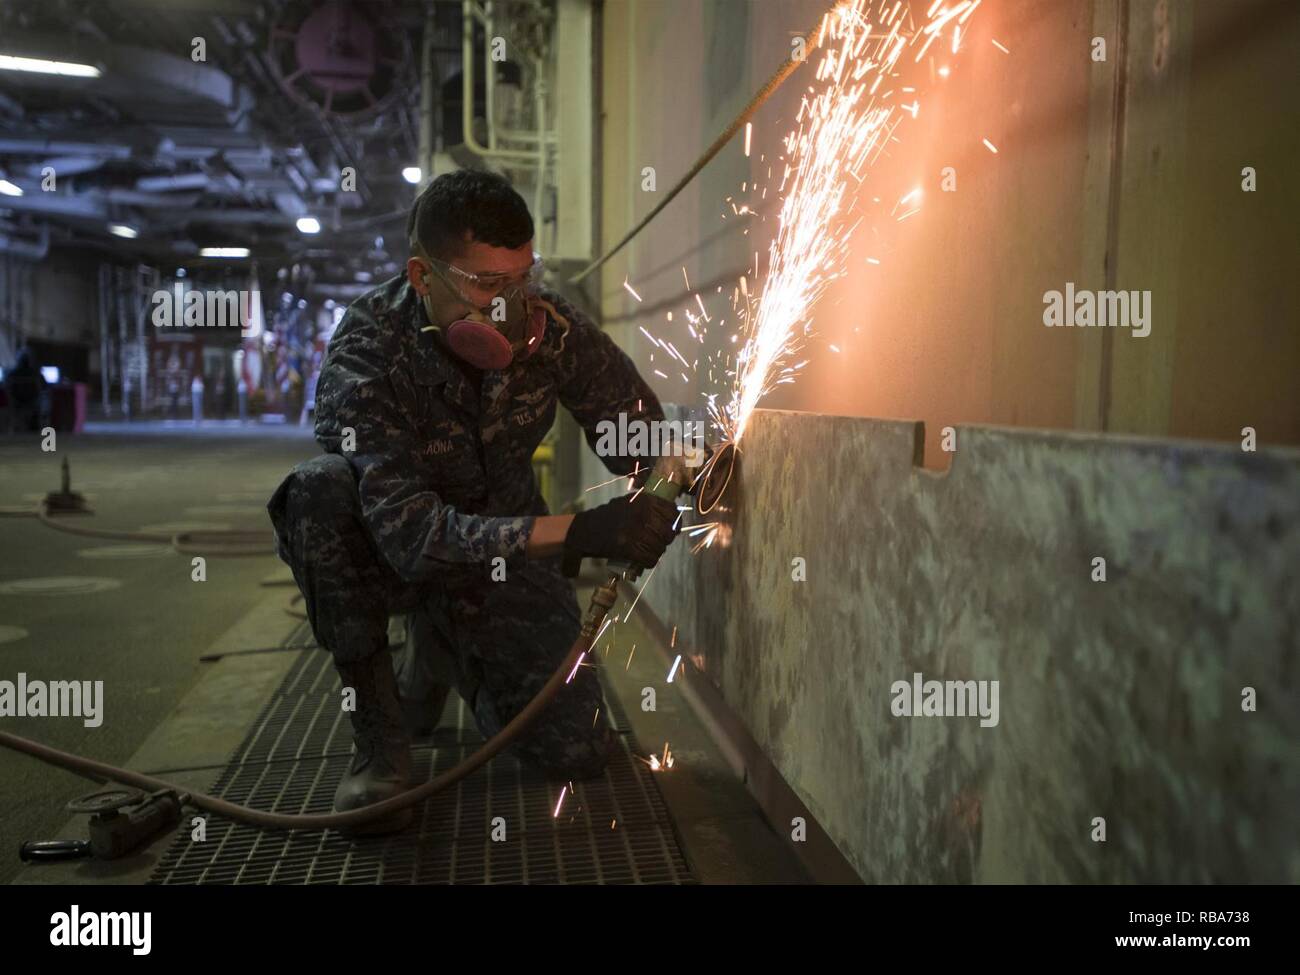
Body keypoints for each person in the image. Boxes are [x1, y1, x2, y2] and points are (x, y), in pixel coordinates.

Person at [268, 170, 680, 833]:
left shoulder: (550, 331)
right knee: (317, 493)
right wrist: (580, 532)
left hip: (505, 561)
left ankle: (444, 646)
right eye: (486, 285)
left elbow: (637, 434)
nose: (509, 308)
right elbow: (411, 536)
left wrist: (677, 469)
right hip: (396, 558)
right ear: (422, 276)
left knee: (574, 748)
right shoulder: (367, 350)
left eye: (521, 279)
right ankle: (379, 738)